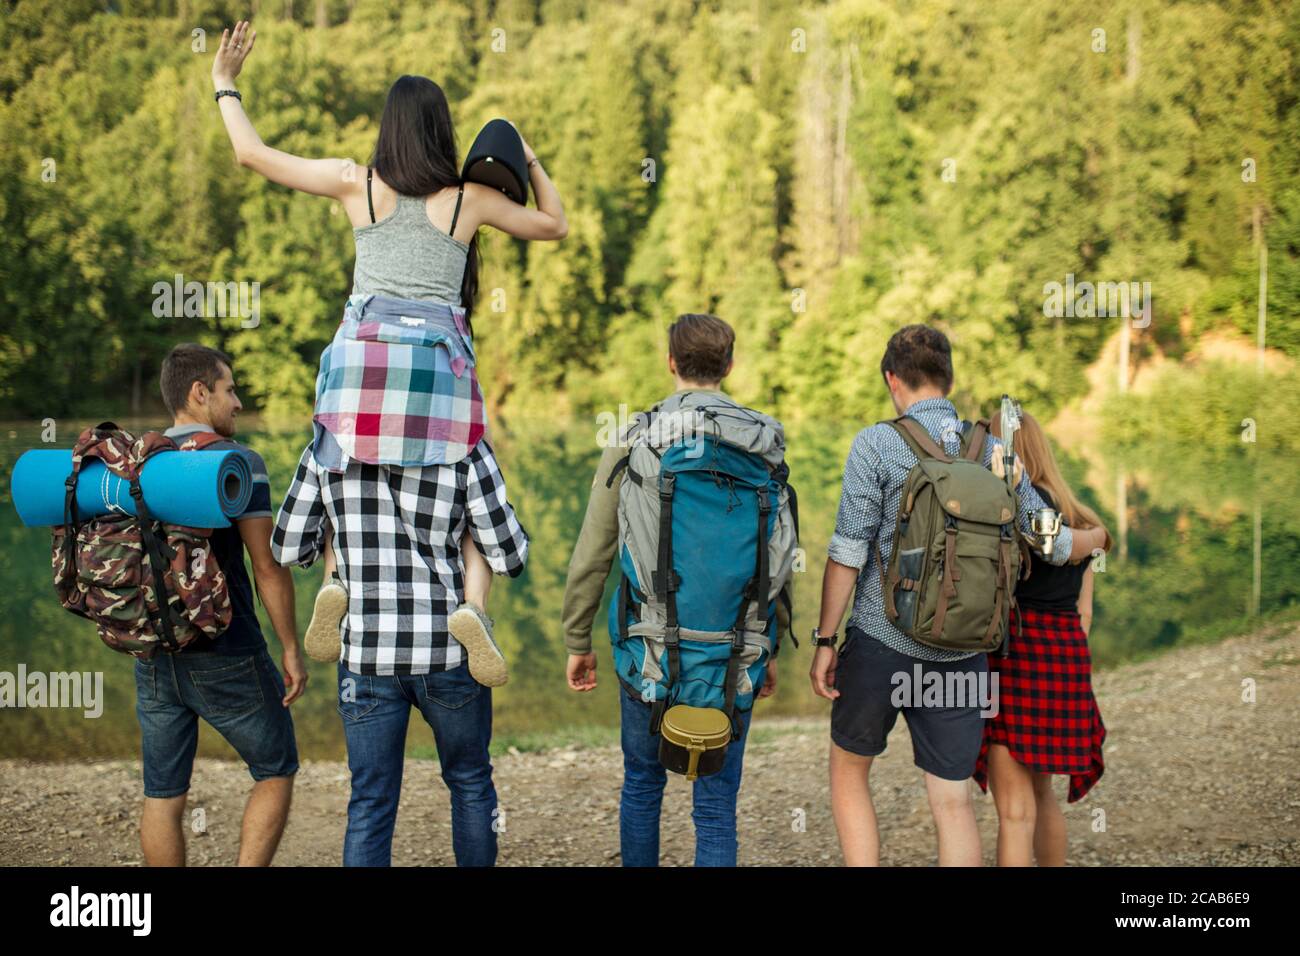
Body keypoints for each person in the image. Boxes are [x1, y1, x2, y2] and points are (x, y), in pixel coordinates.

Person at [210, 21, 565, 683]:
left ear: (388, 129)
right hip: (437, 372)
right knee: (469, 486)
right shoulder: (469, 200)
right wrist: (528, 156)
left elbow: (253, 156)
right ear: (441, 132)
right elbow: (554, 224)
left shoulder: (356, 183)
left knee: (345, 472)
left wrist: (224, 83)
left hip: (359, 370)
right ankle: (474, 606)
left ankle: (336, 581)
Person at [808, 325, 1111, 866]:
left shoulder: (875, 444)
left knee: (851, 771)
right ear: (949, 380)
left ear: (891, 379)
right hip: (963, 651)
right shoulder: (994, 452)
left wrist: (826, 640)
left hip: (881, 641)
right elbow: (1053, 544)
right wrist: (1097, 538)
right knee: (952, 803)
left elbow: (848, 552)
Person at [562, 313, 796, 867]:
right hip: (738, 652)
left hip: (648, 652)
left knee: (642, 785)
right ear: (730, 365)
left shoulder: (636, 437)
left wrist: (577, 639)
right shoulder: (764, 445)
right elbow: (779, 559)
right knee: (716, 804)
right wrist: (773, 647)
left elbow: (594, 552)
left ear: (671, 363)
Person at [138, 343, 306, 866]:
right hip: (226, 648)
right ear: (199, 392)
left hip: (153, 649)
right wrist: (290, 648)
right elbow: (268, 566)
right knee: (275, 769)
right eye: (230, 390)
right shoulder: (239, 463)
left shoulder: (141, 463)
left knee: (163, 795)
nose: (237, 402)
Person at [974, 409, 1110, 866]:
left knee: (1014, 813)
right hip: (1064, 657)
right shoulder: (1077, 517)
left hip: (1012, 658)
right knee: (1042, 793)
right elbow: (1084, 614)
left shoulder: (1001, 510)